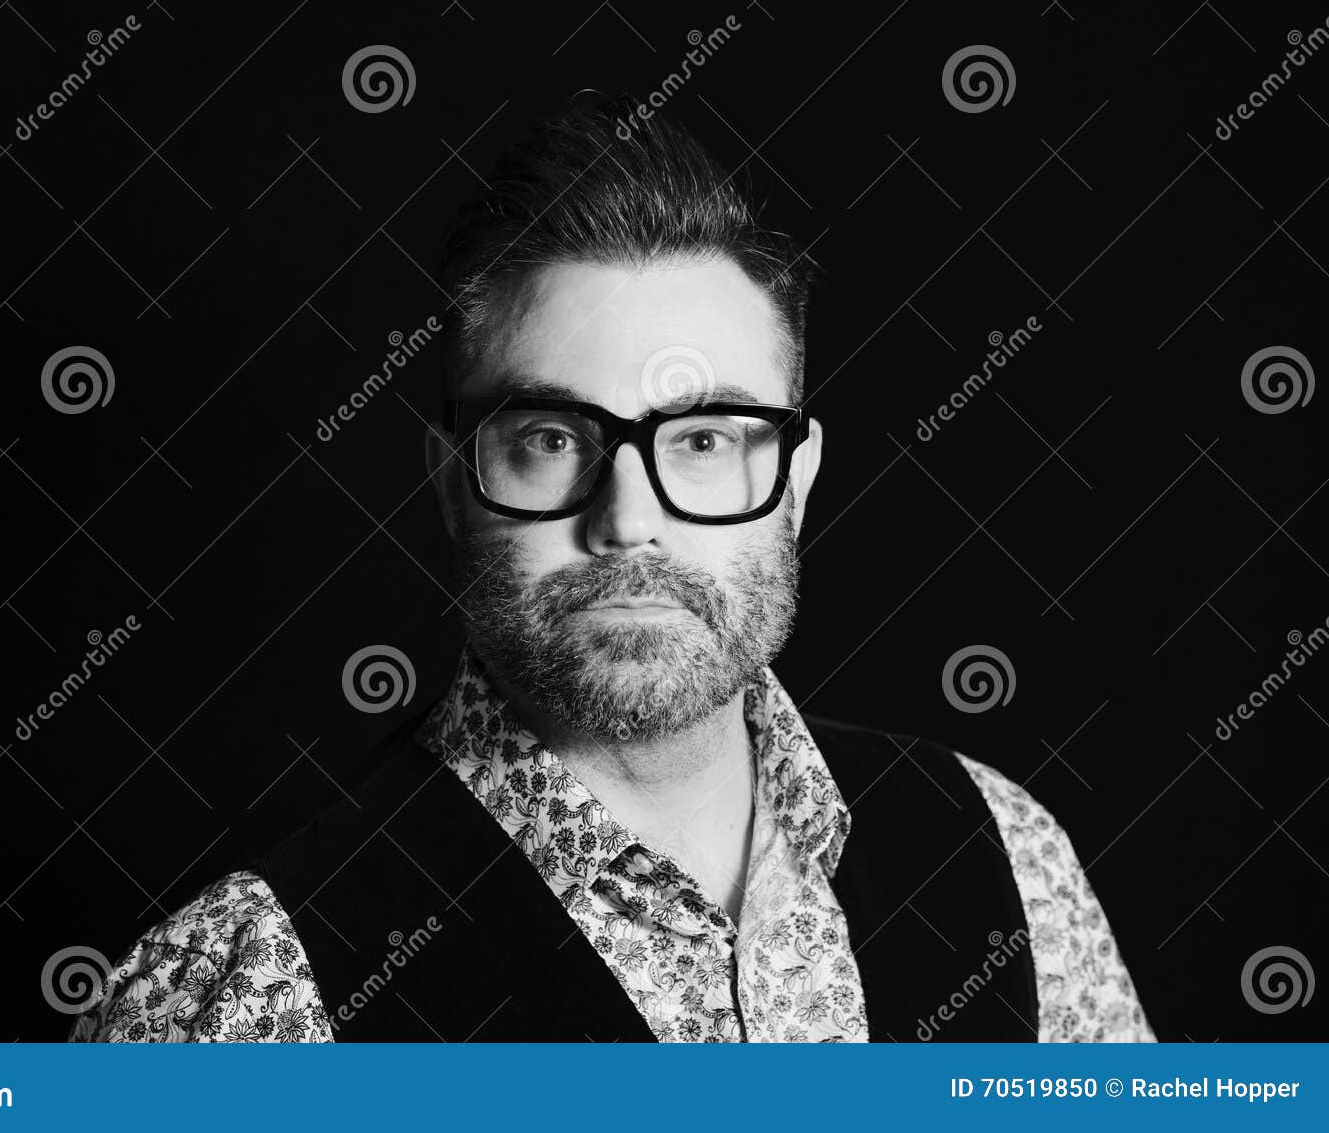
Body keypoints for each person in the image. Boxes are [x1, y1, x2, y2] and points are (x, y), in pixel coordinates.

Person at [70, 92, 1153, 1043]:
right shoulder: (247, 993)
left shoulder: (1000, 853)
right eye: (550, 440)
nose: (627, 521)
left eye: (703, 439)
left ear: (796, 479)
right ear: (455, 483)